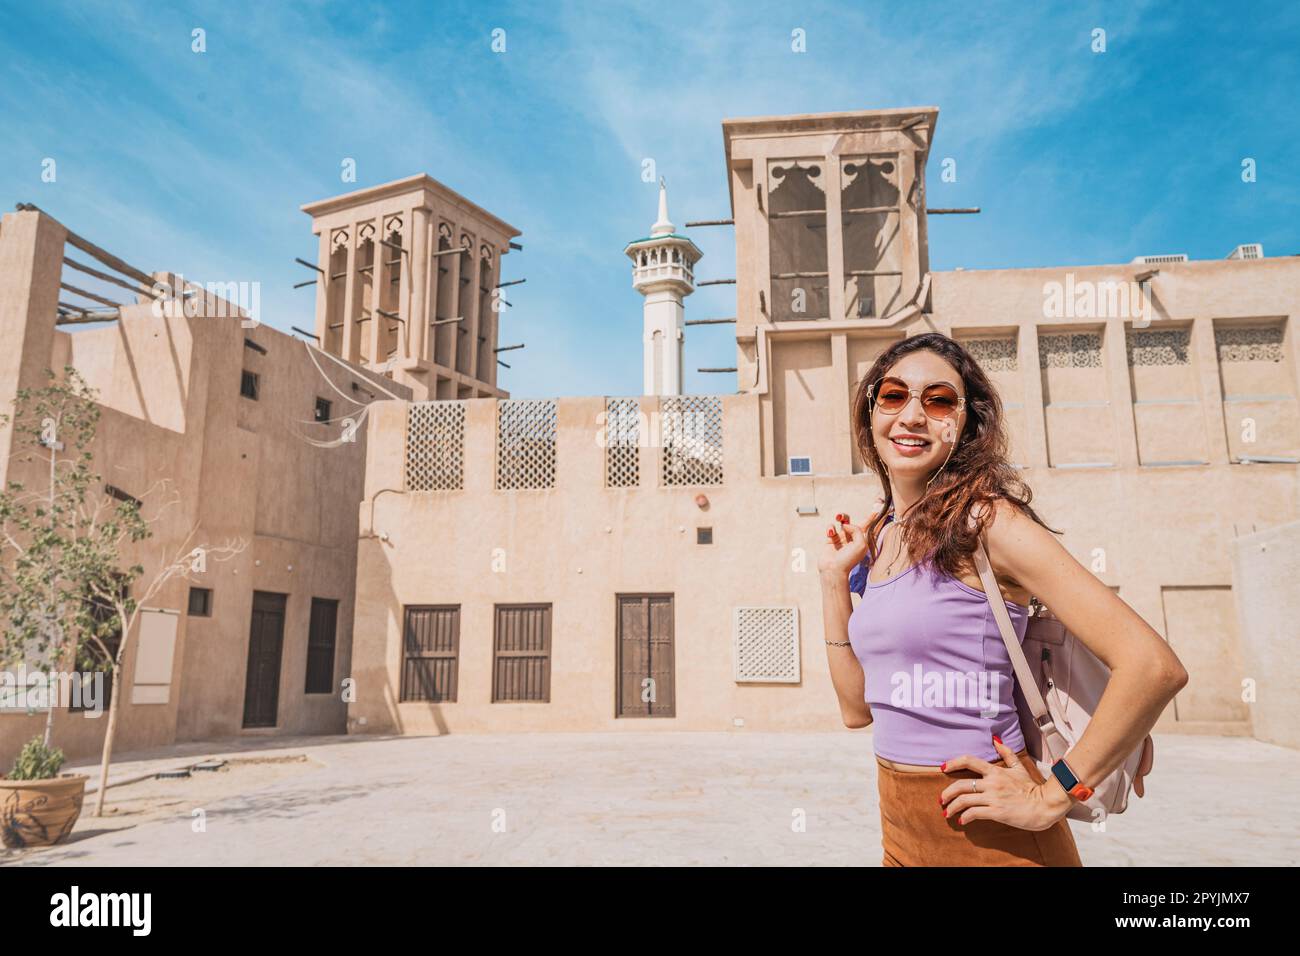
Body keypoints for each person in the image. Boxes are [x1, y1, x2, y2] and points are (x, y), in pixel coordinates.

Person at [817, 332, 1188, 866]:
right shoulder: (879, 535)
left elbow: (1154, 666)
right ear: (871, 411)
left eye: (939, 400)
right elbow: (856, 710)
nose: (913, 415)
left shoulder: (988, 522)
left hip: (997, 840)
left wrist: (1054, 795)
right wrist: (834, 578)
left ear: (967, 422)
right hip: (899, 832)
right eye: (894, 395)